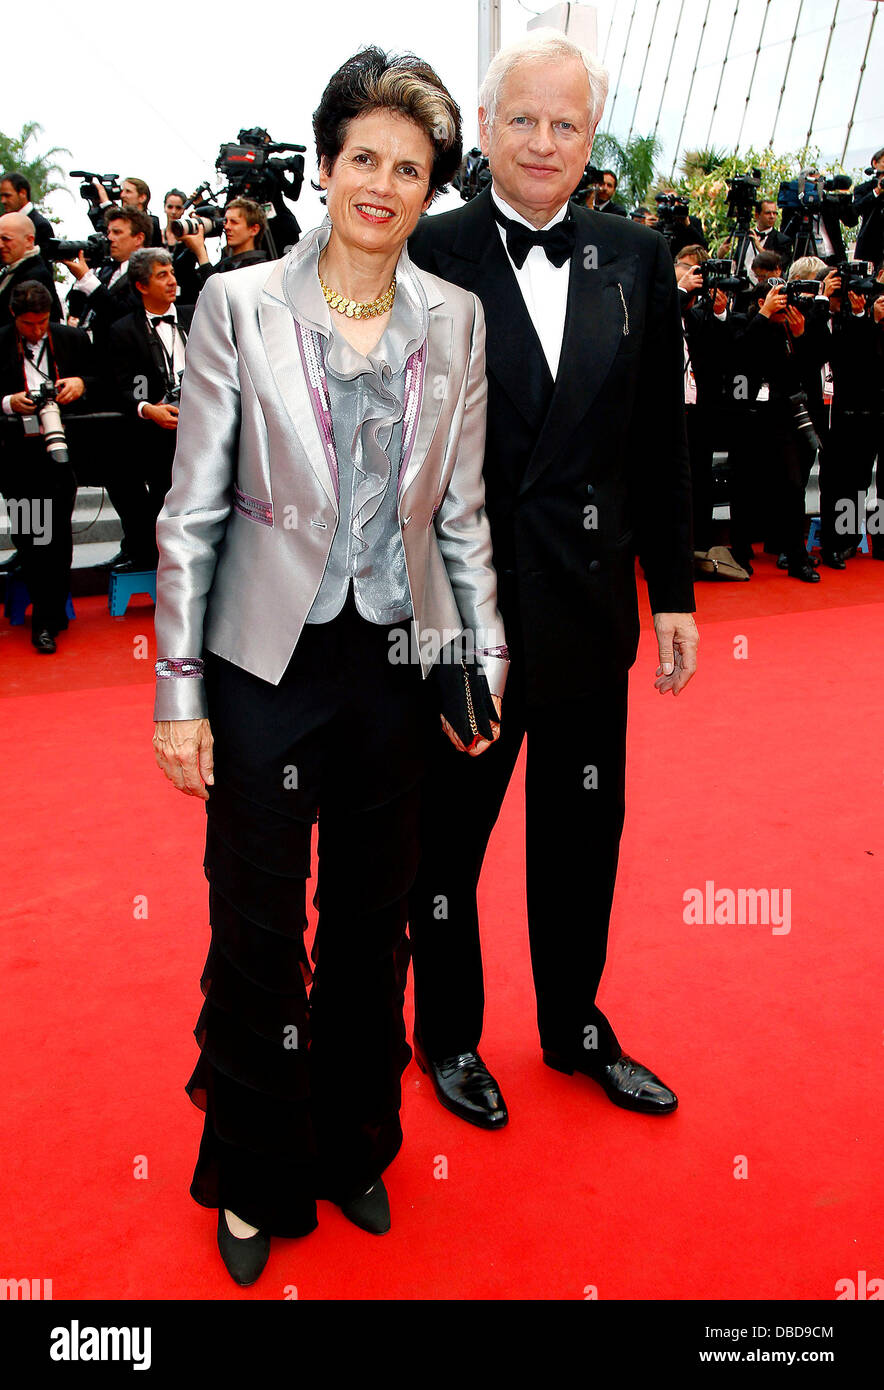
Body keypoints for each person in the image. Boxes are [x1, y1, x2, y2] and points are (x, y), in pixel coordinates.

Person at [151, 46, 508, 1287]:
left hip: (394, 663)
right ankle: (251, 1166)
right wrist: (177, 697)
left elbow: (459, 514)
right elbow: (190, 515)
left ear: (427, 192)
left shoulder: (452, 320)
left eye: (409, 169)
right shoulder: (237, 304)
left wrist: (481, 661)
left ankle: (354, 1136)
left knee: (372, 916)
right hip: (261, 664)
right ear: (326, 165)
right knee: (256, 922)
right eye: (364, 158)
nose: (382, 184)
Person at [407, 29, 697, 1132]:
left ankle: (576, 1027)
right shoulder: (425, 252)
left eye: (564, 123)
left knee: (581, 830)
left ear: (590, 141)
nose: (541, 140)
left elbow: (654, 442)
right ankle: (446, 1035)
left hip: (583, 612)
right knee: (448, 844)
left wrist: (668, 590)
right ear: (483, 128)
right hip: (461, 617)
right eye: (521, 118)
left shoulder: (634, 254)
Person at [0, 281, 96, 651]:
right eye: (28, 324)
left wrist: (80, 384)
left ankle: (48, 616)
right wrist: (9, 402)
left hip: (61, 454)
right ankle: (46, 615)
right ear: (14, 317)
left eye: (42, 322)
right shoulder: (0, 342)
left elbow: (103, 379)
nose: (37, 330)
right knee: (30, 538)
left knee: (57, 536)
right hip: (16, 459)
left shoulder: (69, 338)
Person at [107, 247, 194, 569]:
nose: (172, 281)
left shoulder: (194, 314)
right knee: (163, 504)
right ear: (142, 286)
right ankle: (160, 565)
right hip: (156, 440)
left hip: (205, 431)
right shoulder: (123, 330)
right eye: (162, 275)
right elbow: (121, 385)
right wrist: (148, 408)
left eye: (171, 272)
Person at [180, 197, 270, 291]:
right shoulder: (225, 264)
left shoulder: (261, 268)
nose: (227, 227)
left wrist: (201, 253)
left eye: (234, 222)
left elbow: (218, 296)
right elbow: (188, 283)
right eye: (225, 221)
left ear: (254, 229)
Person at [0, 212, 62, 321]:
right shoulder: (12, 269)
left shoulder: (35, 276)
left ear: (29, 241)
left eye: (6, 239)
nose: (0, 245)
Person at [0, 173, 54, 255]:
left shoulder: (41, 226)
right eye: (1, 196)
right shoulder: (4, 222)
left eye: (7, 196)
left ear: (23, 193)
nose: (3, 201)